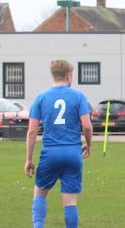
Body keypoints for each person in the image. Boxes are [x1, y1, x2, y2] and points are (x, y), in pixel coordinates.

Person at [25, 59, 93, 228]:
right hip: (73, 153)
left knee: (39, 194)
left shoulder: (40, 98)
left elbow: (32, 131)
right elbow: (87, 126)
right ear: (69, 76)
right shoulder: (78, 96)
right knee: (70, 201)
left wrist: (29, 159)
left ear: (53, 75)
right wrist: (89, 145)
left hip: (50, 153)